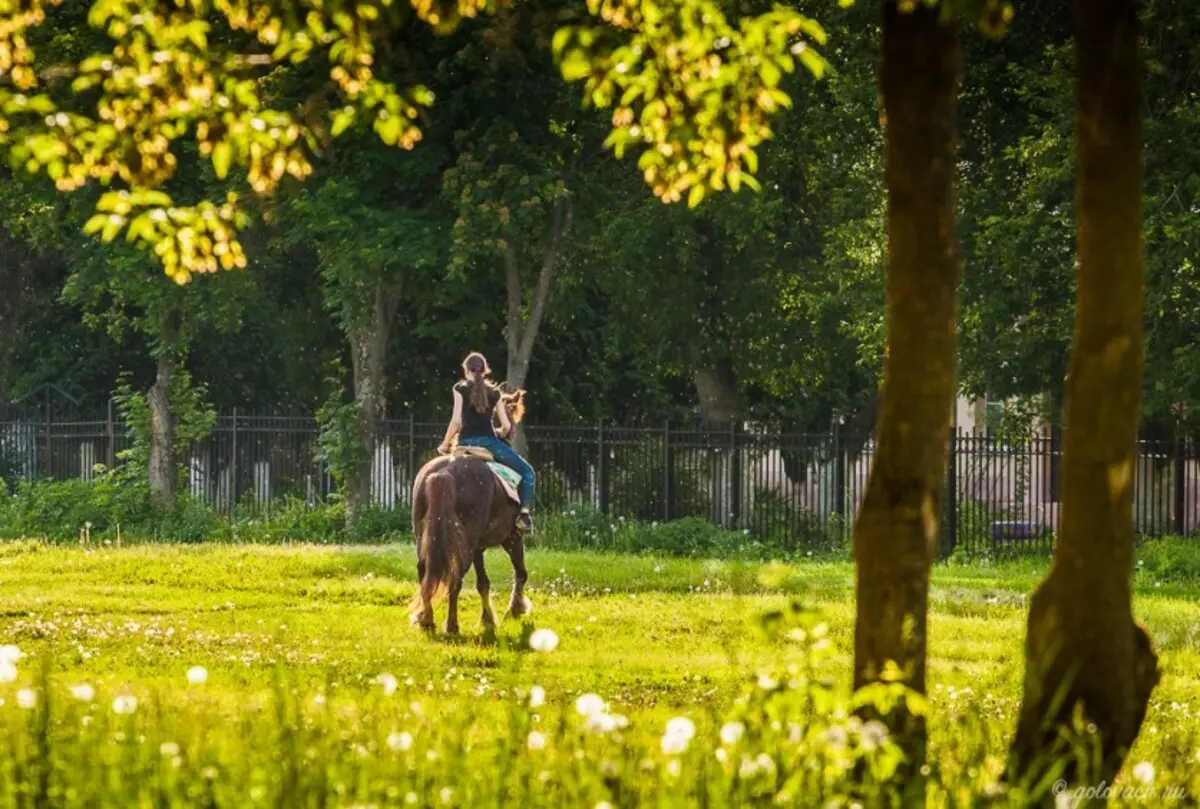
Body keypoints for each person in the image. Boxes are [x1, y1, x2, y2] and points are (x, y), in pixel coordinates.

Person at [437, 352, 535, 532]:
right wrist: (498, 432)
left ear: (466, 370)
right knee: (528, 472)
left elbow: (457, 421)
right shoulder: (495, 393)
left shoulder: (459, 388)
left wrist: (444, 443)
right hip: (489, 443)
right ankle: (524, 516)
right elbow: (506, 426)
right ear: (485, 371)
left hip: (464, 443)